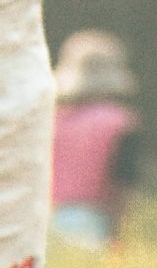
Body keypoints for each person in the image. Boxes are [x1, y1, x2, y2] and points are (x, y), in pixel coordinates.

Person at [49, 28, 140, 250]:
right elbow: (122, 185)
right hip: (91, 223)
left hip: (44, 221)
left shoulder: (50, 120)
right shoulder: (120, 122)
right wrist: (118, 235)